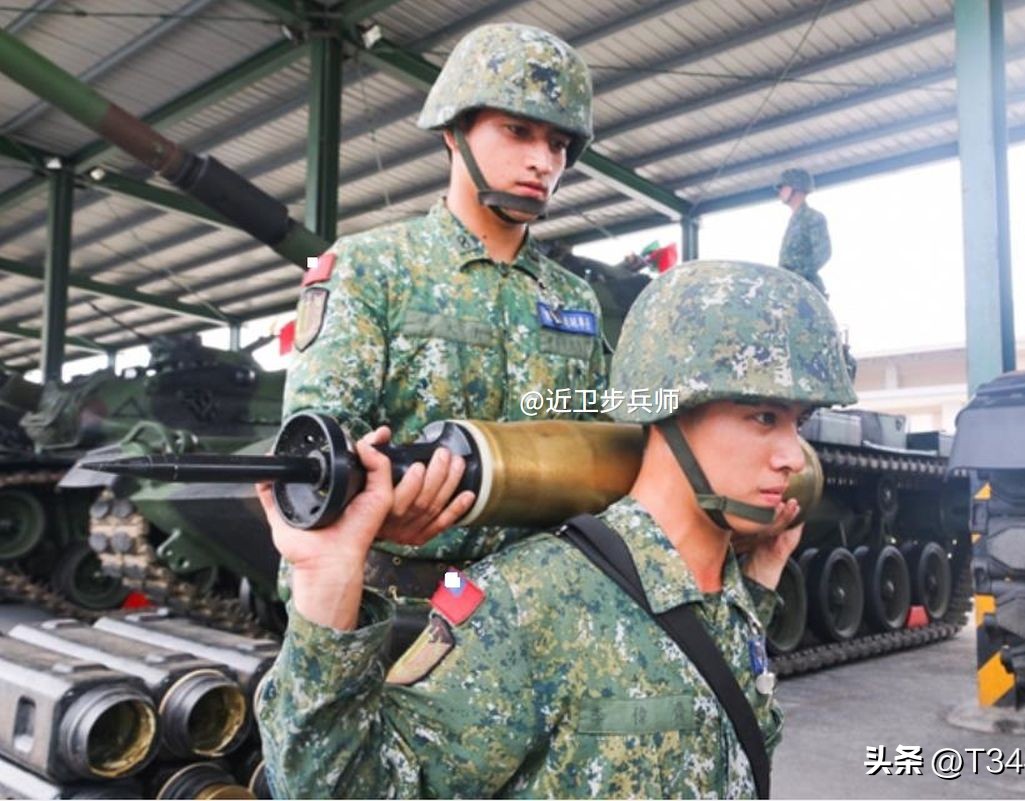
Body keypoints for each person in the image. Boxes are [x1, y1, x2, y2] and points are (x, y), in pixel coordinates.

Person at [255, 260, 858, 798]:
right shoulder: (528, 605)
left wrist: (765, 572)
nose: (792, 456)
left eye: (798, 423)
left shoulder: (725, 592)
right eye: (763, 417)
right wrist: (324, 588)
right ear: (669, 409)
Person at [280, 24, 607, 607]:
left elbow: (601, 435)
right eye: (517, 131)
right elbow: (318, 439)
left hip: (542, 610)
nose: (542, 161)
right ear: (456, 131)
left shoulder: (574, 300)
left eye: (558, 143)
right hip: (395, 610)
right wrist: (378, 504)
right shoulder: (368, 268)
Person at [777, 167, 831, 297]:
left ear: (795, 188)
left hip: (807, 291)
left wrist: (798, 276)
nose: (780, 192)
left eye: (783, 187)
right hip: (790, 289)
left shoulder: (813, 217)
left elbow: (823, 254)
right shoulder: (794, 221)